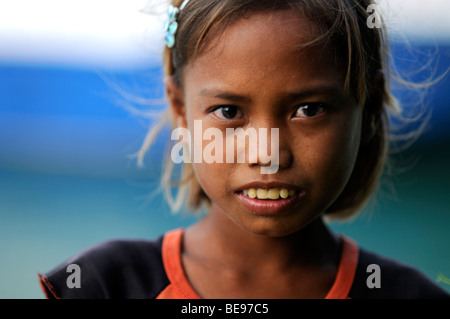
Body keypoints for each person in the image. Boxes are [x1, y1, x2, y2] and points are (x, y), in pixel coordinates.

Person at [38, 0, 449, 299]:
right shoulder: (105, 284)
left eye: (308, 110)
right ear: (181, 109)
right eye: (229, 111)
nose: (267, 153)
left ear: (369, 106)